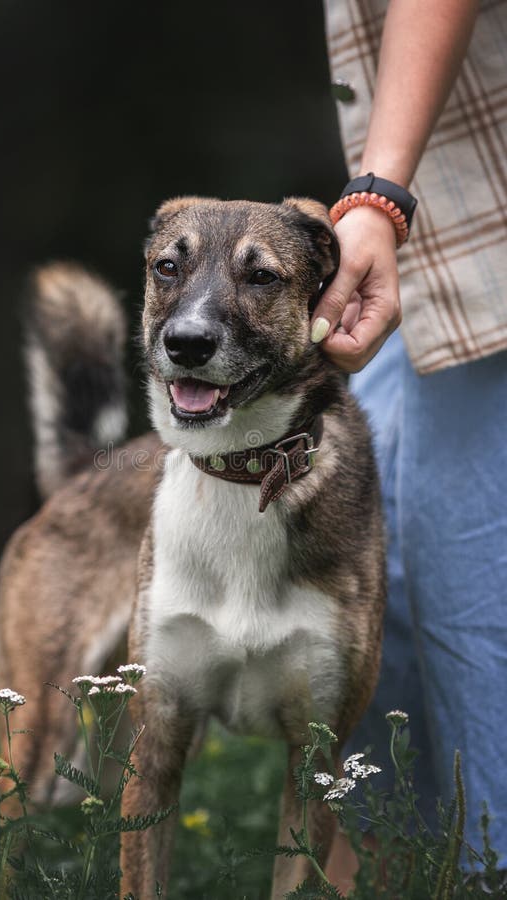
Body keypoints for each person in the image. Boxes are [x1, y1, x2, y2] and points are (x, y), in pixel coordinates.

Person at [312, 0, 507, 888]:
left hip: (476, 251)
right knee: (372, 594)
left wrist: (376, 196)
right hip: (441, 267)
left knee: (473, 620)